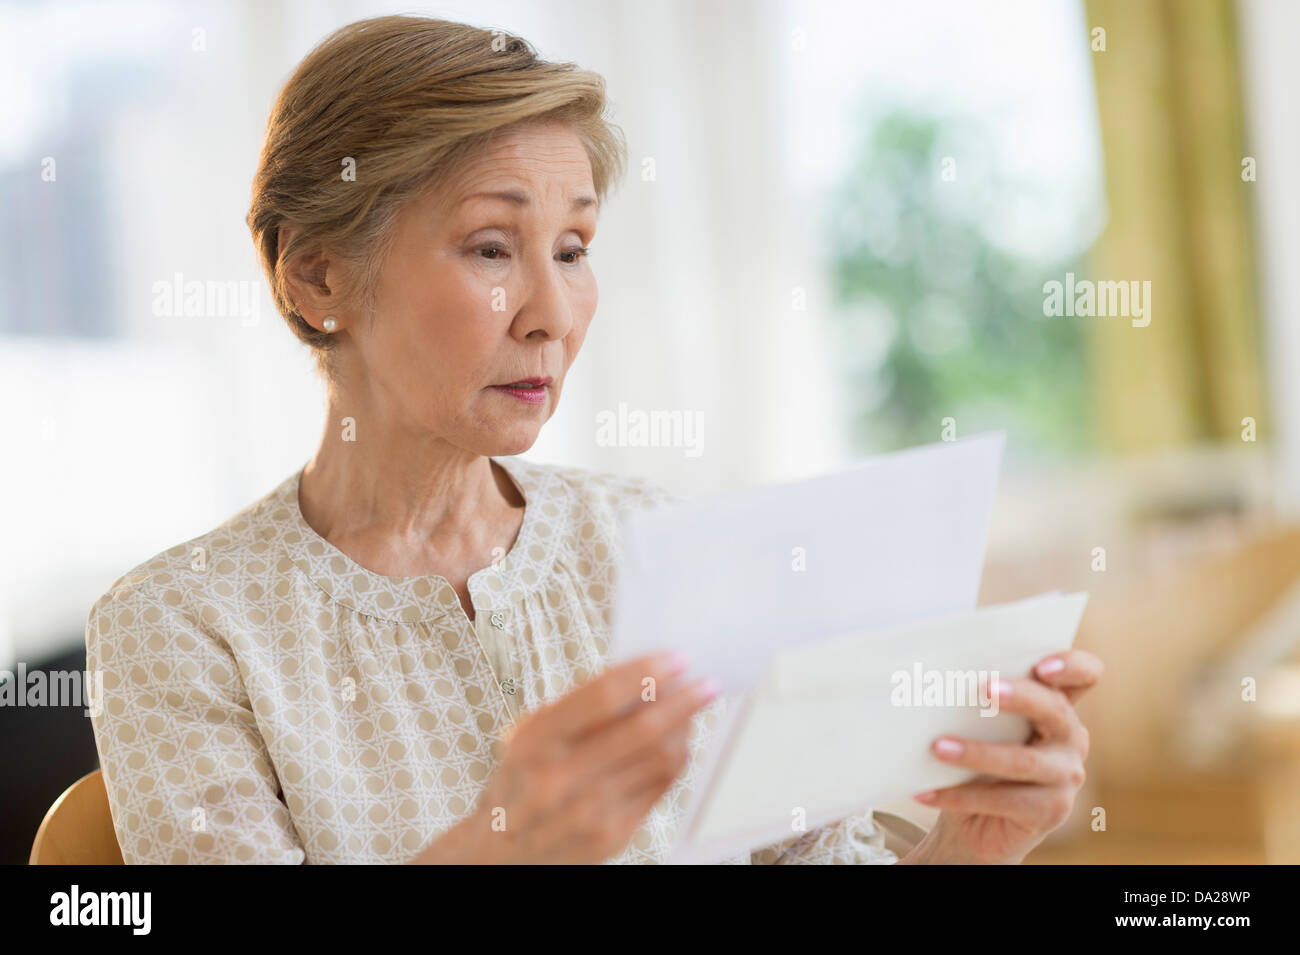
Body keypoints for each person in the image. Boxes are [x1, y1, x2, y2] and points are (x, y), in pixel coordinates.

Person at [85, 14, 1100, 865]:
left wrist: (968, 842)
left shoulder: (658, 542)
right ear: (316, 278)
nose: (553, 313)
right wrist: (499, 843)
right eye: (492, 246)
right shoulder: (181, 627)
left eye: (573, 248)